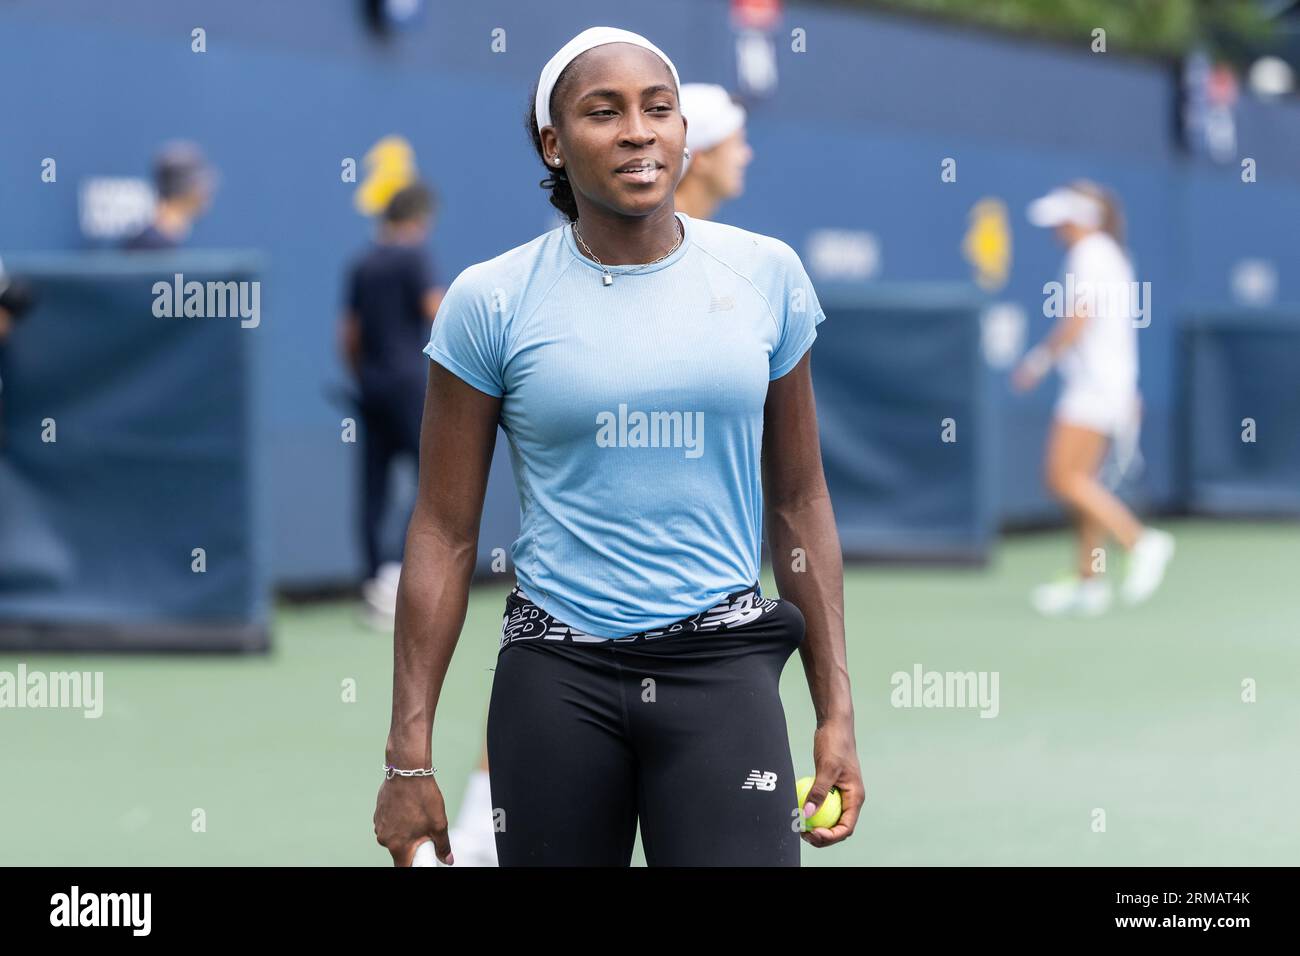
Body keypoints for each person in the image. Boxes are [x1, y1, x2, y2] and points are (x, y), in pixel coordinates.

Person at [372, 26, 860, 867]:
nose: (639, 130)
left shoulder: (766, 275)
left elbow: (799, 499)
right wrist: (408, 756)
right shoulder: (490, 301)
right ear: (554, 145)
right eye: (605, 112)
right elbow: (443, 532)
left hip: (725, 674)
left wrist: (835, 708)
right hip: (554, 683)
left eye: (658, 109)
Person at [1013, 180, 1175, 616]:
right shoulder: (1107, 254)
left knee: (1062, 478)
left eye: (1061, 219)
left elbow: (1079, 318)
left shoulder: (1089, 254)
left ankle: (1139, 541)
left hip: (1094, 389)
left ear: (1080, 218)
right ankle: (1090, 582)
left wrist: (1039, 362)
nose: (1055, 229)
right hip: (1107, 386)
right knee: (1083, 480)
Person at [338, 182, 444, 625]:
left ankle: (375, 579)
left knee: (373, 488)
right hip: (407, 388)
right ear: (418, 219)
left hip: (371, 388)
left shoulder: (362, 264)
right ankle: (395, 576)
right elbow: (437, 312)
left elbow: (349, 337)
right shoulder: (414, 256)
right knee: (433, 481)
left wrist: (364, 377)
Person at [674, 83, 752, 220]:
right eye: (736, 144)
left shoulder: (676, 229)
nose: (746, 155)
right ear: (701, 158)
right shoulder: (659, 235)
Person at [121, 141, 216, 250]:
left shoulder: (174, 236)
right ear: (190, 189)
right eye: (202, 185)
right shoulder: (149, 244)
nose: (208, 192)